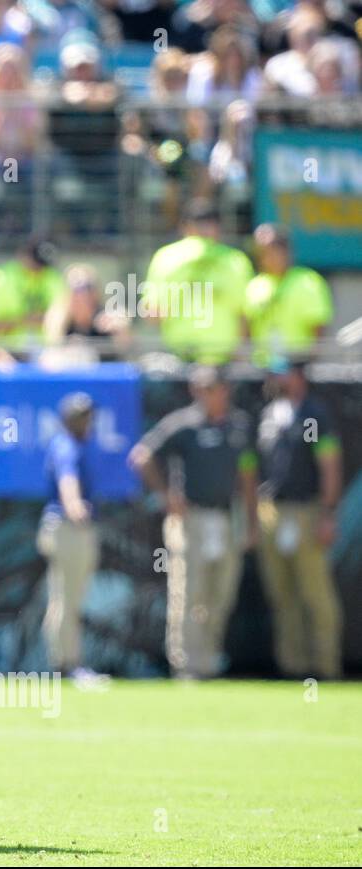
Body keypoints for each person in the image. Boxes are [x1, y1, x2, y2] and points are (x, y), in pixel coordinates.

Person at [129, 366, 258, 679]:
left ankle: (210, 659)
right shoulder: (183, 424)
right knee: (190, 591)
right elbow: (141, 455)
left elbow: (248, 474)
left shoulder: (239, 426)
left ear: (224, 390)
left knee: (222, 592)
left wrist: (251, 521)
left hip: (227, 518)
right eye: (200, 389)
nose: (206, 395)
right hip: (192, 520)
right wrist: (165, 495)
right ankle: (186, 663)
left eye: (212, 388)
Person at [255, 359, 343, 679]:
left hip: (306, 511)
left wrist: (327, 513)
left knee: (315, 593)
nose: (276, 378)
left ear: (298, 376)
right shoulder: (269, 414)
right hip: (272, 512)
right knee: (282, 593)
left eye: (282, 372)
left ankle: (325, 666)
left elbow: (330, 464)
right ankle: (293, 666)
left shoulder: (314, 414)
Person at [37, 392, 105, 686]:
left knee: (64, 598)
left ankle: (63, 662)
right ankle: (68, 664)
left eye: (88, 415)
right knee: (67, 599)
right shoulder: (67, 446)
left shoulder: (75, 444)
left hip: (63, 527)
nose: (87, 421)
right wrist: (74, 505)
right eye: (81, 416)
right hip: (68, 528)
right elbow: (68, 480)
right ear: (67, 420)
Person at [142, 198, 253, 364]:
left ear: (184, 227)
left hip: (180, 357)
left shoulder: (166, 257)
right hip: (222, 359)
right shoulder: (236, 260)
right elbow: (246, 315)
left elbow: (153, 314)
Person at [244, 223, 333, 367]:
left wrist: (309, 364)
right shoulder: (254, 285)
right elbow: (246, 329)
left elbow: (318, 329)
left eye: (272, 251)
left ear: (285, 250)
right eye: (261, 252)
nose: (266, 257)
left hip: (299, 364)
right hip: (262, 366)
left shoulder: (308, 281)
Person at [0, 237, 65, 357]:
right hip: (4, 349)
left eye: (42, 266)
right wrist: (24, 321)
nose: (38, 270)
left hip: (43, 350)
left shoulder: (52, 276)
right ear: (23, 256)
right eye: (35, 264)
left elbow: (63, 315)